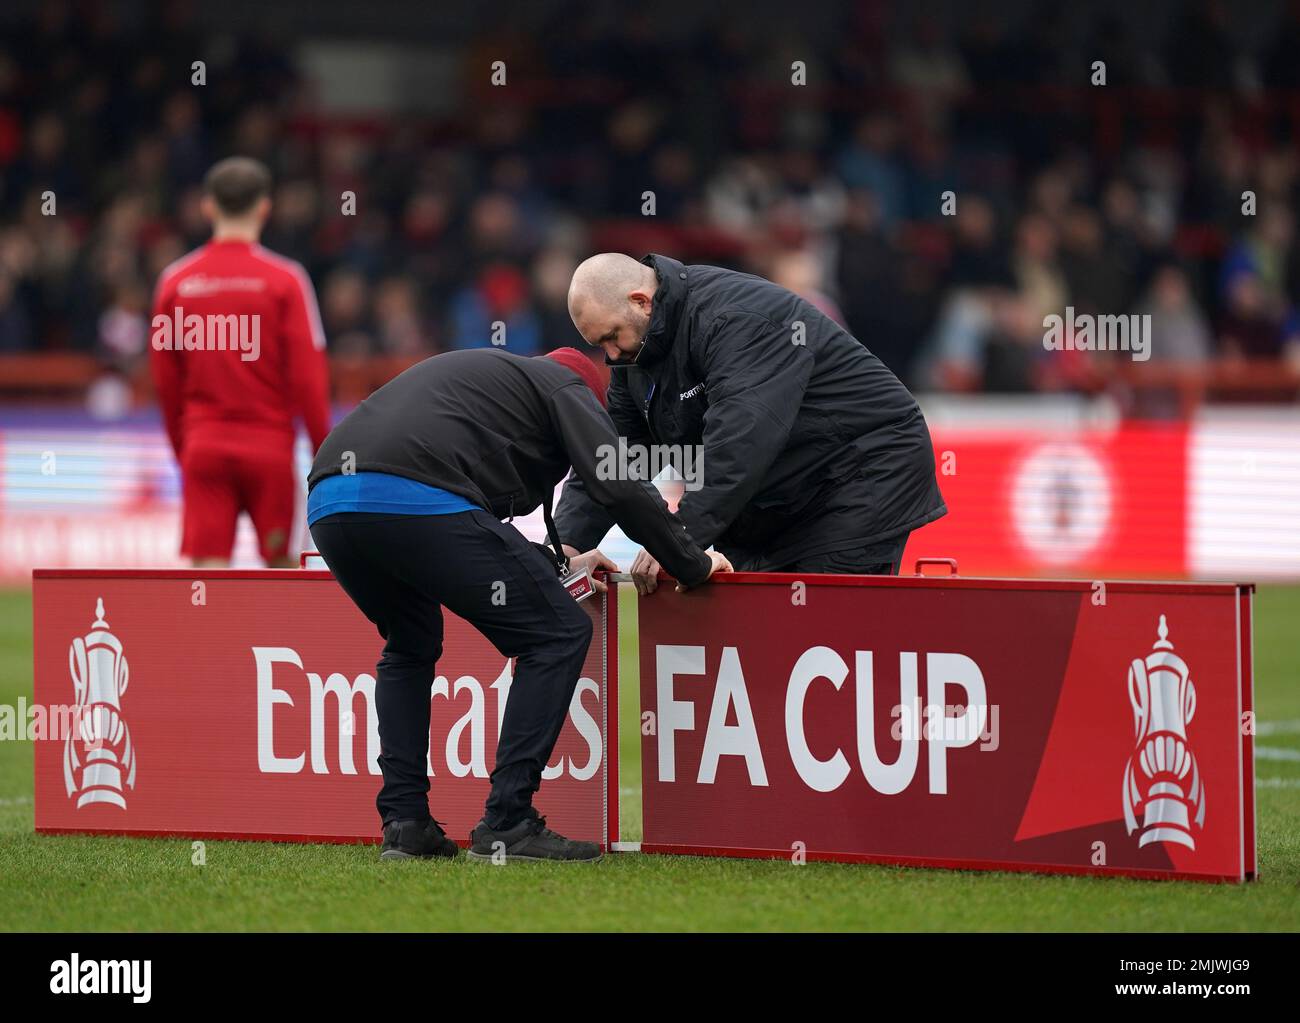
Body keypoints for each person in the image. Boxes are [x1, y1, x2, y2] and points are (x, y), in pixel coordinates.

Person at [306, 346, 730, 863]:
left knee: (409, 644)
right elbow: (616, 486)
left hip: (330, 501)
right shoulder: (567, 386)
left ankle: (406, 824)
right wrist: (691, 562)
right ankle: (508, 821)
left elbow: (473, 536)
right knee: (559, 634)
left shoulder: (490, 383)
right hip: (417, 495)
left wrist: (556, 567)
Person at [556, 253, 946, 592]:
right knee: (755, 628)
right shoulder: (634, 353)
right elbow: (616, 456)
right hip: (779, 492)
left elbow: (740, 442)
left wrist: (678, 540)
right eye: (599, 344)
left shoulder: (736, 318)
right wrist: (564, 549)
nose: (609, 355)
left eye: (611, 337)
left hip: (861, 472)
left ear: (641, 302)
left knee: (818, 634)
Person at [149, 156, 330, 567]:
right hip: (269, 448)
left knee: (207, 580)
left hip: (204, 445)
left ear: (207, 206)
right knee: (281, 568)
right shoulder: (286, 280)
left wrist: (187, 448)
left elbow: (164, 379)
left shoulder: (175, 281)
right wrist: (325, 453)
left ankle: (209, 635)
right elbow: (309, 379)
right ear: (265, 207)